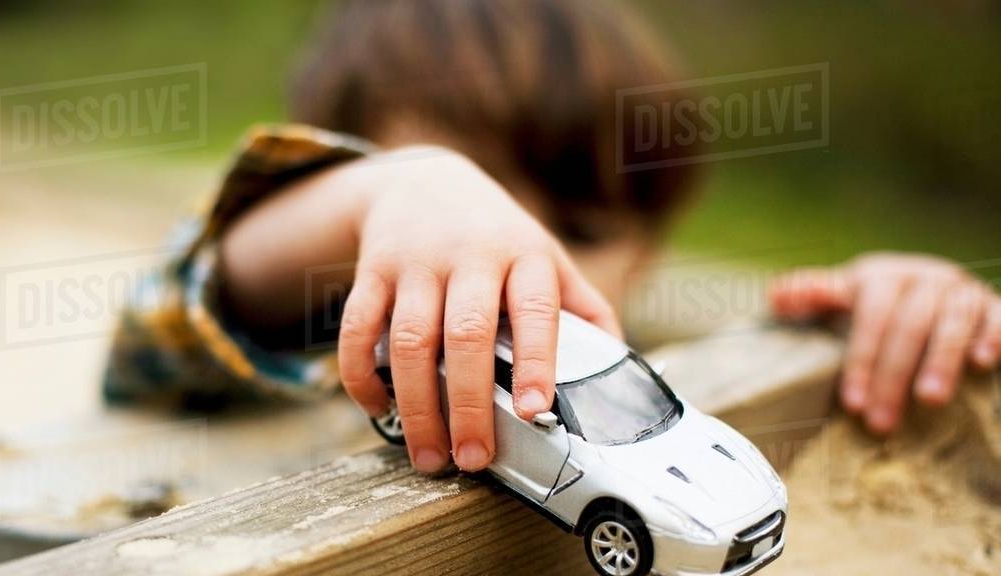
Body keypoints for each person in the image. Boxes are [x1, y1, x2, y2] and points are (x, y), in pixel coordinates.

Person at [103, 0, 1000, 476]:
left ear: (646, 252)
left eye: (572, 230)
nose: (505, 264)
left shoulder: (627, 372)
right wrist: (396, 187)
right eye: (453, 220)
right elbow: (176, 316)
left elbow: (762, 361)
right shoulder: (282, 341)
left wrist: (898, 311)